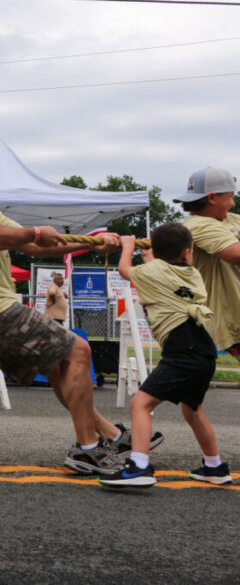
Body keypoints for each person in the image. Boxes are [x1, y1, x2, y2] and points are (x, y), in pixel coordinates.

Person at [0, 148, 135, 474]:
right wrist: (35, 231)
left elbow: (35, 246)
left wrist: (93, 243)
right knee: (79, 350)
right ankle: (87, 451)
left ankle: (111, 436)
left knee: (61, 369)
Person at [99, 226, 230, 486]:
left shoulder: (155, 271)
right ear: (187, 252)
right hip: (204, 350)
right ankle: (214, 466)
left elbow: (125, 271)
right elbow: (162, 275)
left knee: (140, 404)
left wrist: (127, 247)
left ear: (159, 253)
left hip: (183, 350)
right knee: (192, 411)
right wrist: (149, 256)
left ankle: (138, 466)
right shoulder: (192, 273)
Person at [177, 167, 240, 360]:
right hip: (230, 318)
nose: (233, 203)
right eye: (230, 197)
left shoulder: (228, 220)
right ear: (212, 198)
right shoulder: (197, 225)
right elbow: (236, 254)